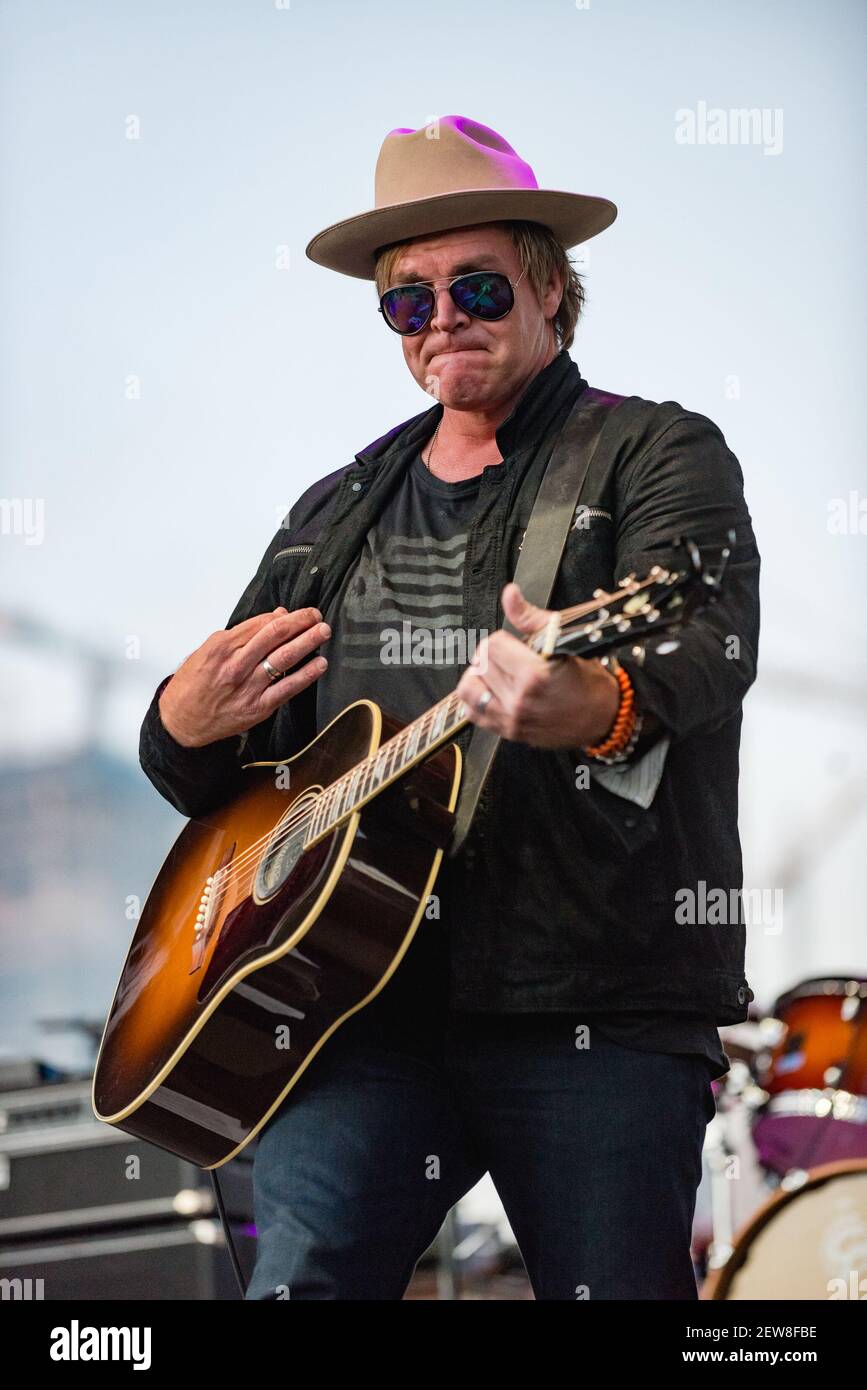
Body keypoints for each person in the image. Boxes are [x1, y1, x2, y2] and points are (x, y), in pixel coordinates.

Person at [139, 115, 760, 1300]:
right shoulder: (334, 511)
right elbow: (219, 774)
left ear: (548, 287)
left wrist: (580, 699)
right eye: (406, 302)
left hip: (593, 998)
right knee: (301, 1286)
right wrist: (177, 719)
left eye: (472, 285)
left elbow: (707, 648)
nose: (441, 320)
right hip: (356, 1011)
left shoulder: (651, 453)